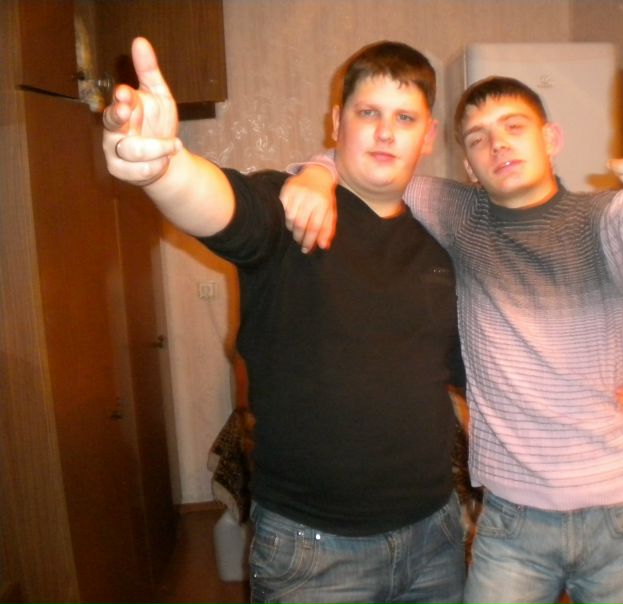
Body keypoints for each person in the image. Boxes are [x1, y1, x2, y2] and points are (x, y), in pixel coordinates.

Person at [281, 50, 623, 604]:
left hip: (620, 515)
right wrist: (315, 172)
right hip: (511, 522)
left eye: (514, 127)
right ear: (468, 166)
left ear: (550, 138)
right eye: (478, 138)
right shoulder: (459, 215)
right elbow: (369, 164)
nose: (498, 144)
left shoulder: (603, 224)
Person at [103, 36, 468, 604]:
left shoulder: (443, 240)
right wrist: (165, 170)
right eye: (368, 113)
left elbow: (474, 368)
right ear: (336, 121)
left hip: (435, 537)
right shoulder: (292, 207)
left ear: (428, 134)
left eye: (404, 118)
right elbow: (222, 205)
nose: (385, 132)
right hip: (314, 553)